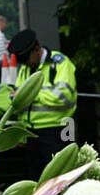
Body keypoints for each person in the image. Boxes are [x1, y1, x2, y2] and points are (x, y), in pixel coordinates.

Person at [8, 29, 78, 180]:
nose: (25, 63)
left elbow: (63, 97)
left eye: (26, 58)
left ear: (36, 49)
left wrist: (30, 93)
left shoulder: (59, 63)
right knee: (36, 181)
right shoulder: (25, 69)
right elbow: (20, 102)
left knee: (61, 179)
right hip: (31, 134)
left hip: (59, 130)